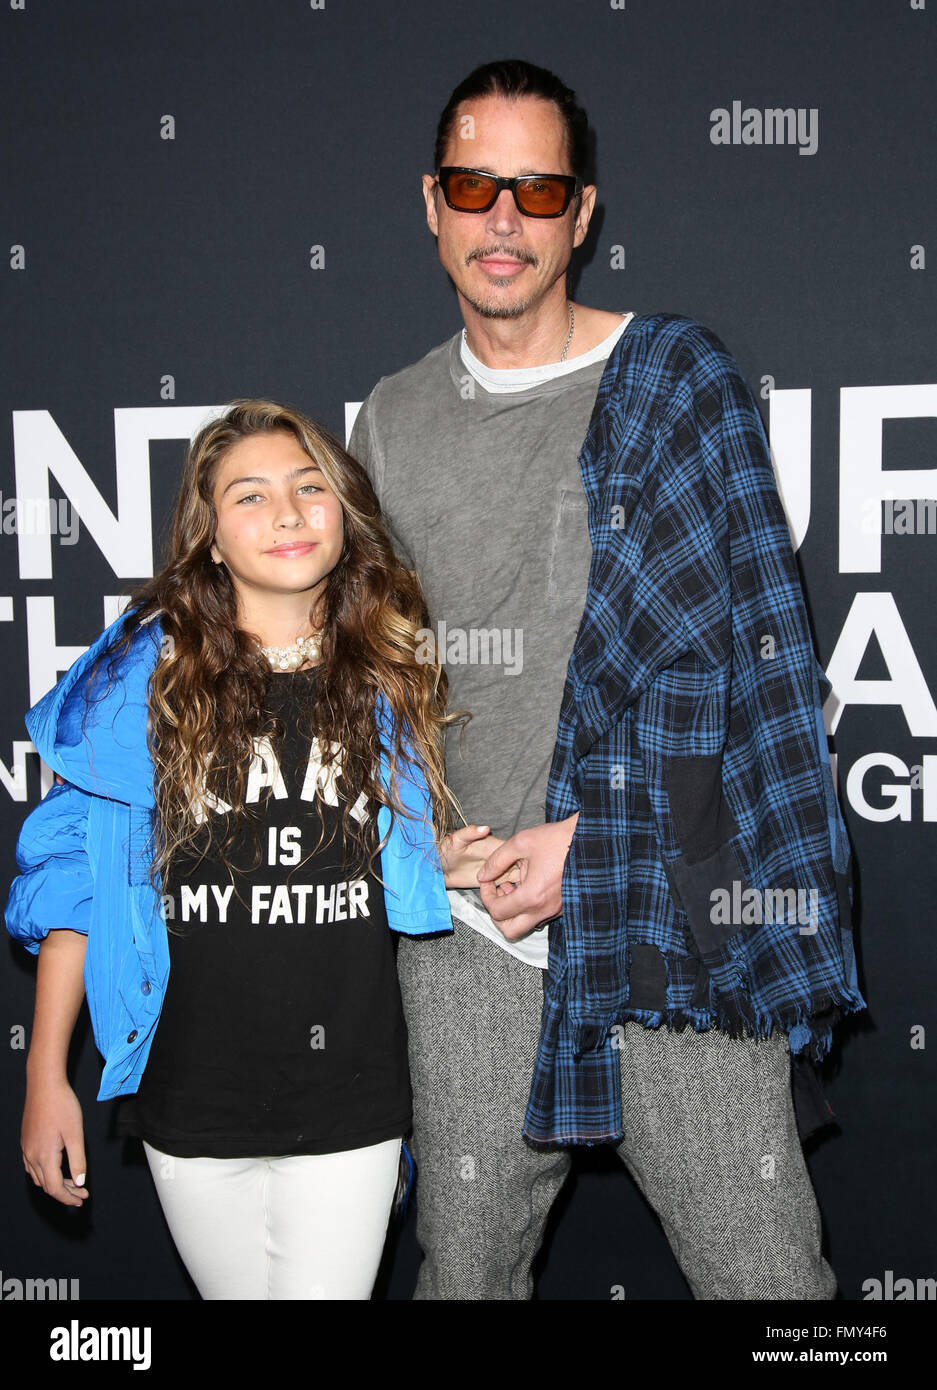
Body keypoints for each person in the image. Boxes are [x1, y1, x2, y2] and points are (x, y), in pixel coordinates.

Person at [348, 59, 866, 1300]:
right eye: (476, 186)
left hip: (664, 910)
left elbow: (756, 678)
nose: (504, 221)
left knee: (773, 1287)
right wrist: (426, 833)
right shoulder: (387, 418)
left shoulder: (681, 384)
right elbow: (373, 674)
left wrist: (595, 837)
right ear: (433, 201)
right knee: (462, 1275)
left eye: (539, 191)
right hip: (473, 941)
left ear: (582, 214)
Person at [5, 399, 500, 1300]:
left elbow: (374, 853)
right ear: (211, 539)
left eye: (310, 488)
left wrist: (442, 862)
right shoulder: (137, 685)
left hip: (348, 1097)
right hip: (189, 1097)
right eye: (250, 496)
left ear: (344, 519)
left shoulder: (385, 677)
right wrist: (46, 1079)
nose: (286, 513)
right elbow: (77, 889)